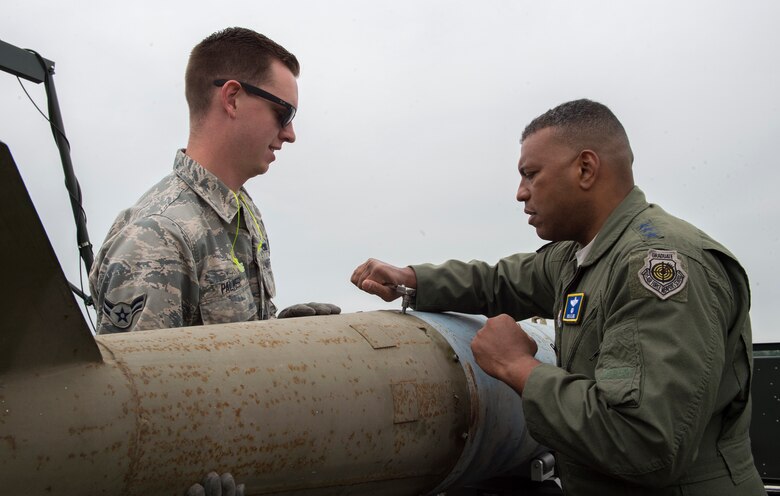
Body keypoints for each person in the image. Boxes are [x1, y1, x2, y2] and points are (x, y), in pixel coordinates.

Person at [351, 99, 763, 495]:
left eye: (531, 174)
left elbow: (644, 445)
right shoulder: (582, 255)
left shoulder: (655, 267)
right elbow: (500, 282)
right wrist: (412, 279)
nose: (520, 193)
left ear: (586, 168)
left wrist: (518, 367)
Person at [89, 27, 338, 334]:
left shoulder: (243, 211)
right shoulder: (158, 237)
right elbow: (143, 379)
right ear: (232, 98)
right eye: (283, 113)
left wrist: (278, 338)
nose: (290, 134)